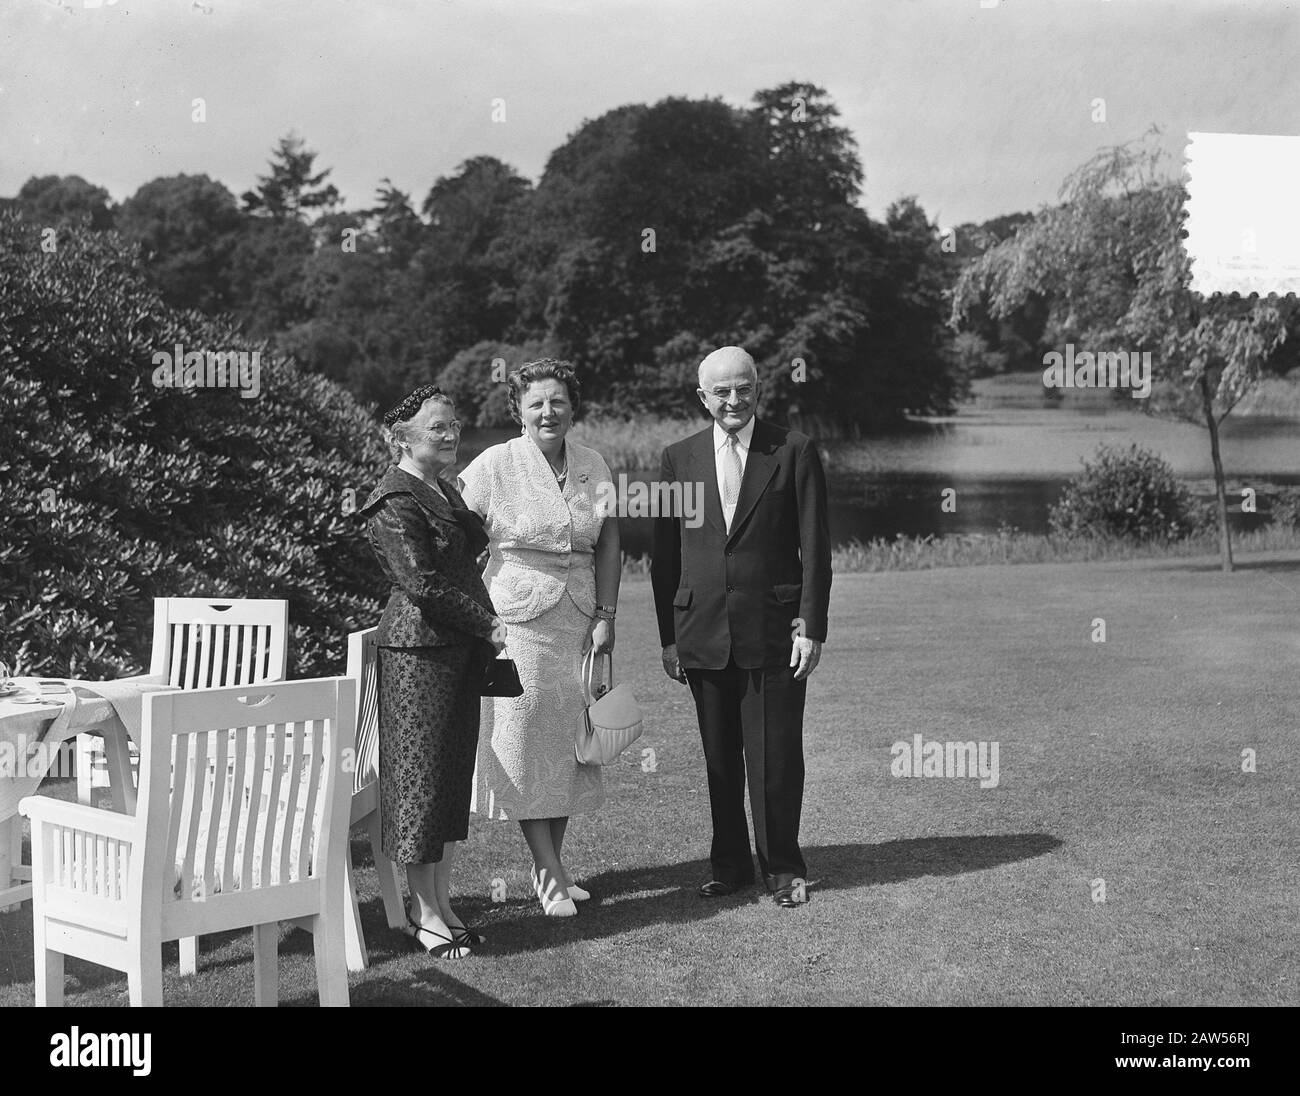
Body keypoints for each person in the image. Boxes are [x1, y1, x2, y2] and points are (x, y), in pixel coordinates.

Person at [650, 346, 831, 909]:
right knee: (720, 761)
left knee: (776, 759)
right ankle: (729, 867)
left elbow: (816, 549)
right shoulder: (676, 459)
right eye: (721, 391)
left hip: (775, 631)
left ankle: (782, 868)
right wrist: (667, 637)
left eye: (743, 388)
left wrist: (811, 627)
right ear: (702, 398)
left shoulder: (795, 450)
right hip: (700, 633)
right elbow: (664, 556)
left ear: (759, 388)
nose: (733, 400)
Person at [459, 359, 619, 917]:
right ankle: (549, 874)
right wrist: (477, 611)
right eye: (536, 403)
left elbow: (609, 543)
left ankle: (551, 866)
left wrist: (607, 612)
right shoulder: (492, 465)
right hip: (517, 621)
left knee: (568, 741)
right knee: (524, 737)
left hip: (578, 617)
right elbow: (458, 536)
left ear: (573, 406)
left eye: (558, 401)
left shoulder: (593, 463)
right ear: (518, 411)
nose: (548, 412)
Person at [358, 384, 504, 958]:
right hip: (417, 657)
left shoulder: (439, 488)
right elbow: (420, 583)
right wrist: (488, 624)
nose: (450, 433)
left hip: (455, 653)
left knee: (446, 784)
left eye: (453, 424)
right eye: (437, 427)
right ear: (401, 437)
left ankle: (443, 904)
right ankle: (424, 913)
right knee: (418, 786)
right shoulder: (393, 499)